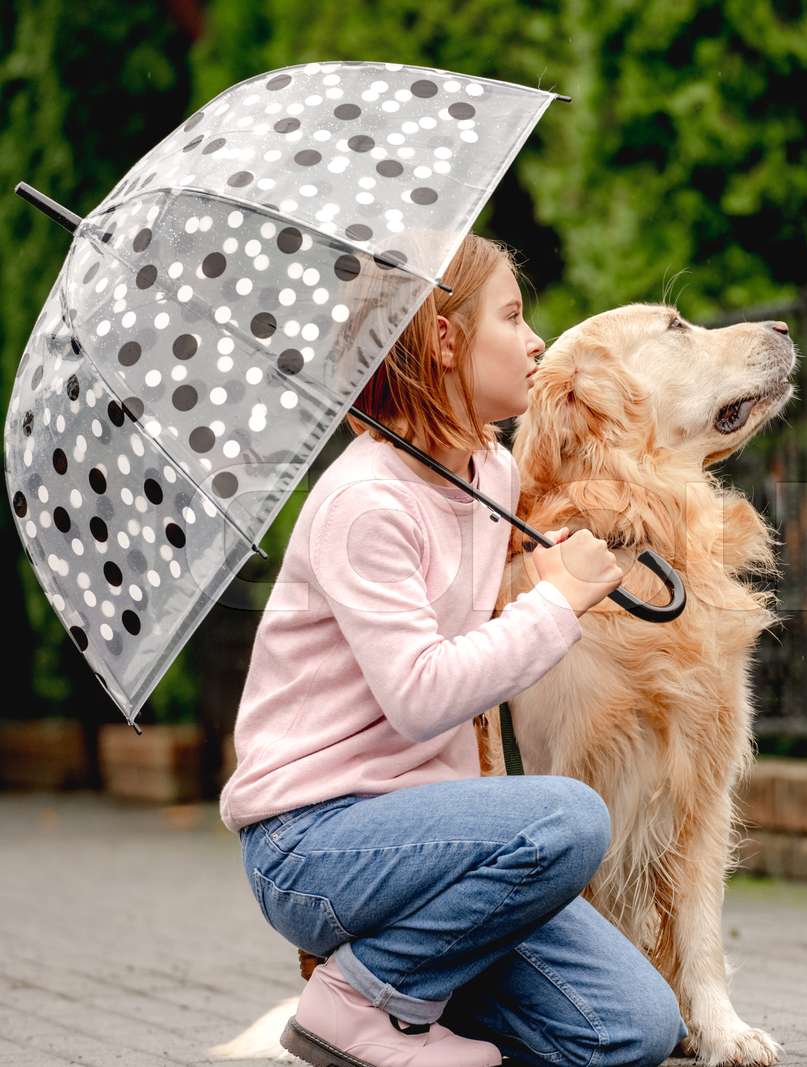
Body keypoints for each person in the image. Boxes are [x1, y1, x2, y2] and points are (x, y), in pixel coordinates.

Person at [218, 234, 687, 1067]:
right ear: (444, 342)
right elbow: (423, 694)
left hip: (434, 847)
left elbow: (466, 633)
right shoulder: (366, 503)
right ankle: (358, 1003)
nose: (536, 340)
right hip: (315, 840)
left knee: (635, 1027)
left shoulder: (489, 476)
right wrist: (554, 602)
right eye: (511, 316)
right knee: (568, 817)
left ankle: (413, 1003)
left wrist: (538, 566)